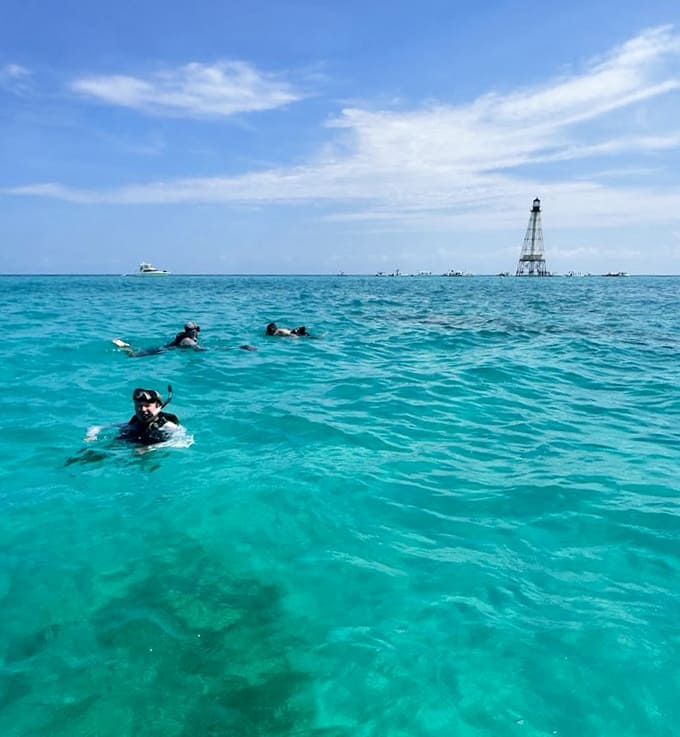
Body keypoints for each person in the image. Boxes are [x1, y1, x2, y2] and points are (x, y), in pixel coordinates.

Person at [113, 321, 205, 356]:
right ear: (193, 331)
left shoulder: (184, 336)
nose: (198, 331)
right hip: (164, 350)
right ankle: (125, 348)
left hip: (162, 347)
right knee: (134, 356)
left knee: (138, 352)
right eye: (197, 329)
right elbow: (198, 349)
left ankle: (127, 347)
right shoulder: (188, 341)